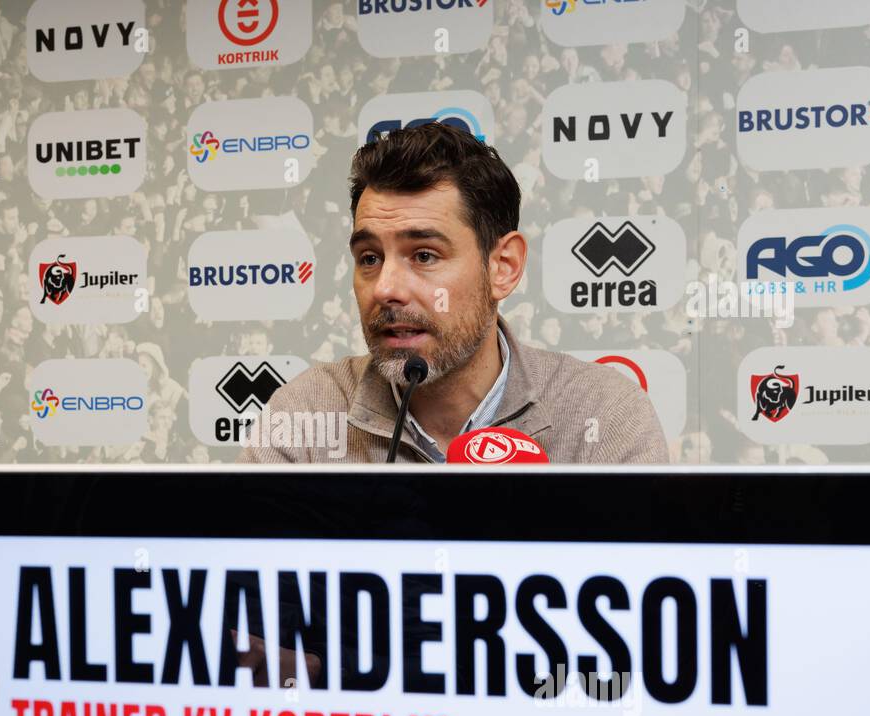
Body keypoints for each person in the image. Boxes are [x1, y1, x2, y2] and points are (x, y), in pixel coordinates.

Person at [236, 124, 668, 464]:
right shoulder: (304, 414)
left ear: (503, 267)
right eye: (369, 258)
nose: (386, 288)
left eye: (423, 255)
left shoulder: (604, 415)